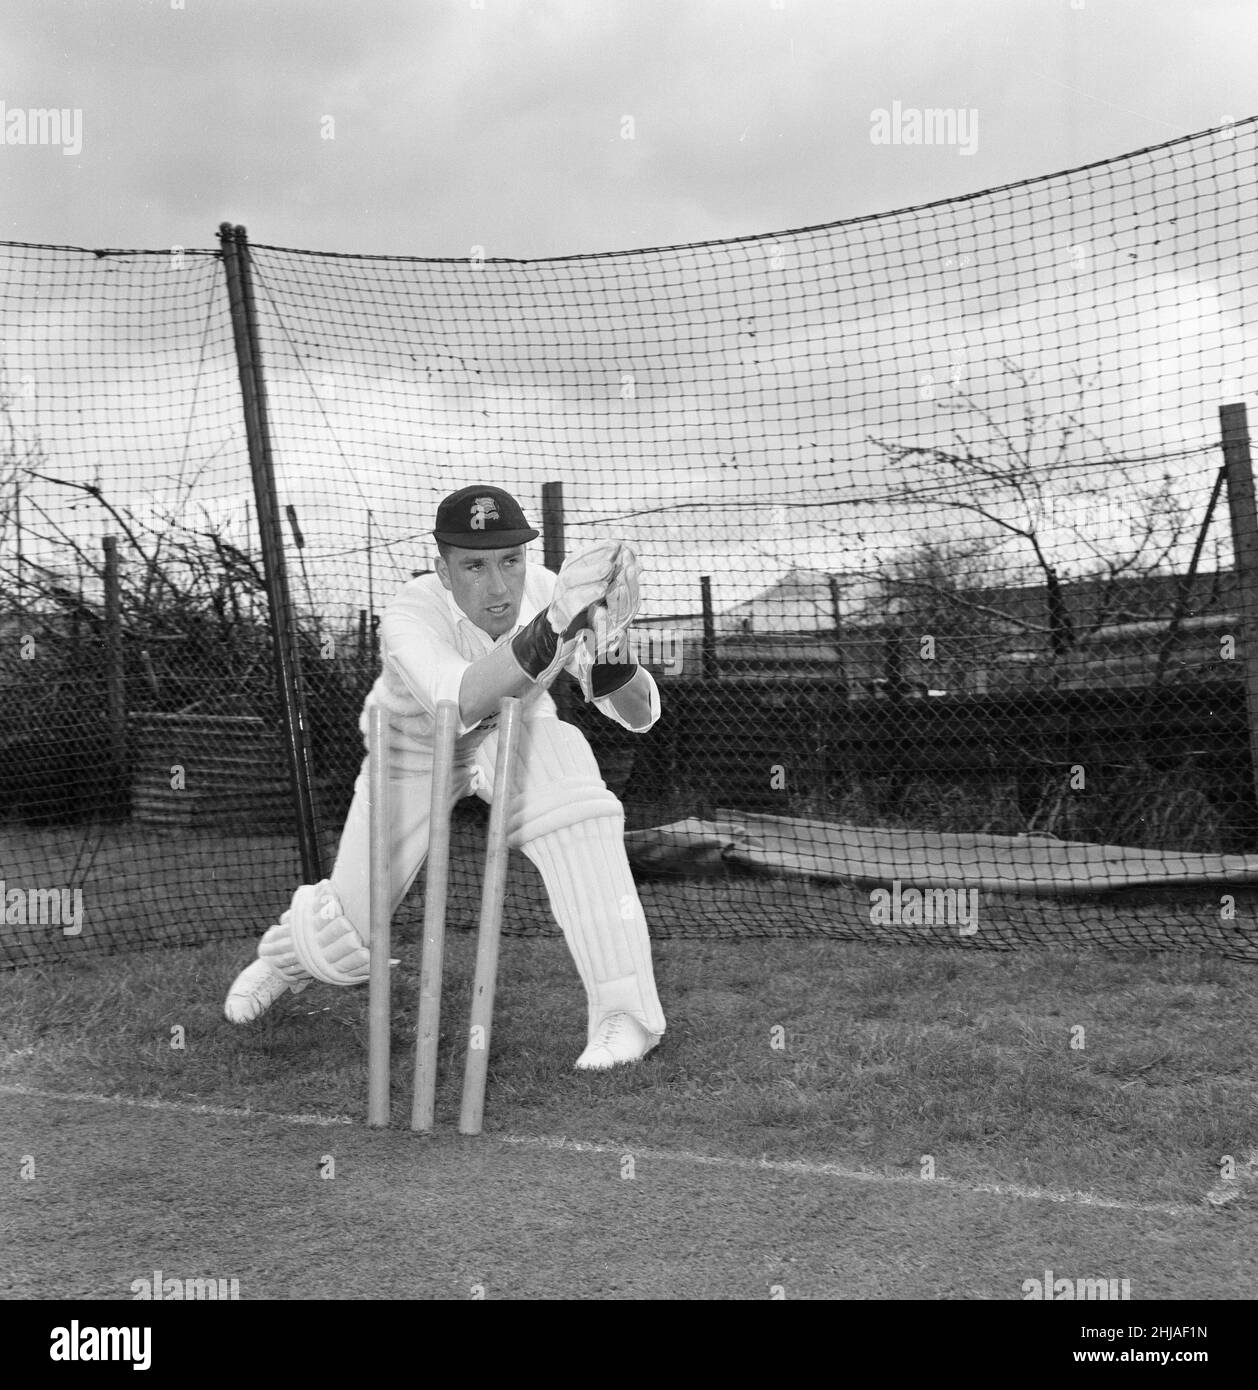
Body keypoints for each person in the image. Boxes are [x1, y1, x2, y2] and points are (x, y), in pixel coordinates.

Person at [224, 485, 665, 1069]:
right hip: (413, 749)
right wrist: (555, 626)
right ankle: (286, 961)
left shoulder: (548, 592)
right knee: (353, 920)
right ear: (443, 567)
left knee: (577, 807)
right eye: (474, 566)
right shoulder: (412, 610)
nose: (500, 586)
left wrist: (613, 655)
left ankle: (623, 1016)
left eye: (511, 560)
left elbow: (639, 717)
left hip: (518, 727)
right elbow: (458, 703)